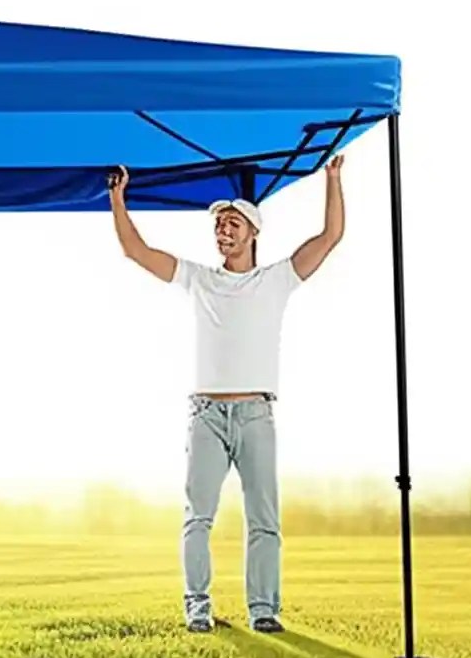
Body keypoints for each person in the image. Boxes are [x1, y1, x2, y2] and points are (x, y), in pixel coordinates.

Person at [108, 156, 346, 633]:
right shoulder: (199, 279)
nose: (223, 231)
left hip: (256, 414)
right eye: (218, 224)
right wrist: (118, 198)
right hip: (207, 416)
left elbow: (329, 238)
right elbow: (137, 251)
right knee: (198, 518)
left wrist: (333, 180)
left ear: (253, 231)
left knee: (264, 521)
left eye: (232, 223)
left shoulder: (276, 279)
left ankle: (264, 611)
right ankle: (197, 608)